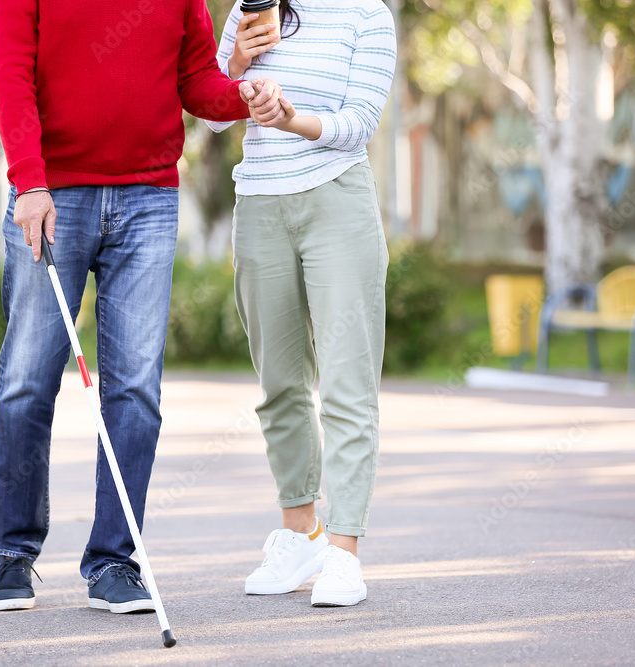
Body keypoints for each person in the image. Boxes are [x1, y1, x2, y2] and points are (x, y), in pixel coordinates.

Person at [0, 0, 285, 613]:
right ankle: (14, 553)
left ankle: (114, 562)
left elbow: (195, 80)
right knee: (26, 380)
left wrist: (241, 95)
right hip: (52, 196)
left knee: (136, 392)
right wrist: (30, 181)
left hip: (148, 199)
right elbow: (9, 77)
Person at [208, 0, 396, 606]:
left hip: (337, 201)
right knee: (280, 386)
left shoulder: (368, 15)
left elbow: (359, 123)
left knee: (346, 384)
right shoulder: (250, 7)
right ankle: (301, 532)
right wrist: (237, 61)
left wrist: (290, 118)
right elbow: (212, 116)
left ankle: (343, 551)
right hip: (260, 204)